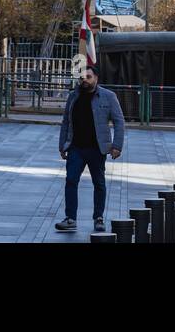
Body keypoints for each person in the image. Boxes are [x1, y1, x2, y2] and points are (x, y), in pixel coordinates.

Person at [55, 64, 125, 233]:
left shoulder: (108, 96)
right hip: (75, 148)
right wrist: (62, 145)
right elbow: (66, 122)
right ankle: (70, 218)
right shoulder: (73, 96)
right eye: (81, 78)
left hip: (97, 149)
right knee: (71, 181)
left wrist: (117, 145)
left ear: (96, 78)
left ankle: (98, 218)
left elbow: (119, 121)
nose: (84, 80)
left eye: (88, 77)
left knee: (99, 183)